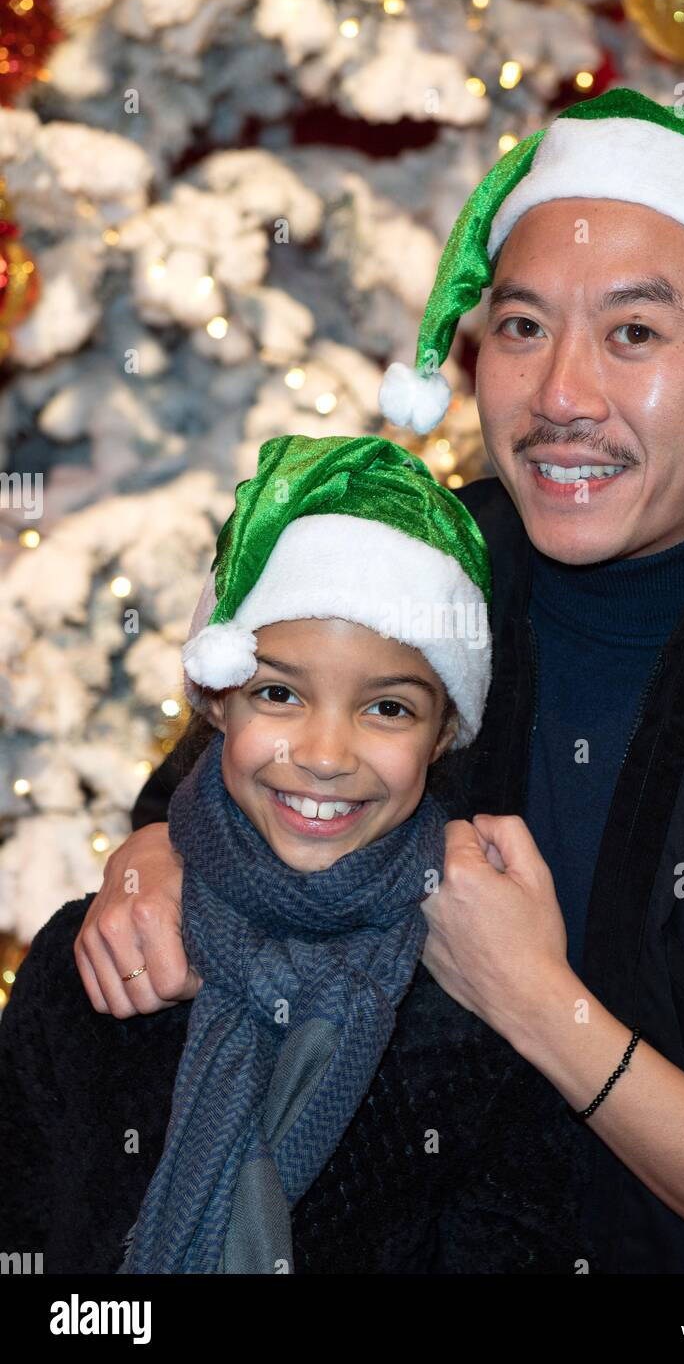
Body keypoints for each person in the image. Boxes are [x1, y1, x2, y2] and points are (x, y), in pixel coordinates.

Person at [74, 89, 684, 1273]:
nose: (560, 399)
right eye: (521, 328)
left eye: (633, 335)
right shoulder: (418, 563)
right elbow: (222, 761)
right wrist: (153, 855)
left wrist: (536, 1003)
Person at [0, 434, 595, 1274]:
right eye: (278, 694)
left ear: (443, 734)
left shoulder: (471, 1006)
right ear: (216, 703)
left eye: (387, 708)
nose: (324, 753)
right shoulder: (96, 961)